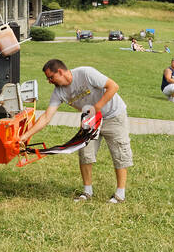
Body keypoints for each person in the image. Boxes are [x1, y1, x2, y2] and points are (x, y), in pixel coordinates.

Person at [24, 59, 132, 203]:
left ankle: (120, 194)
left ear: (60, 72)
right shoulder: (59, 92)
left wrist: (96, 108)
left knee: (119, 152)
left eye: (51, 77)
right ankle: (87, 192)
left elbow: (113, 86)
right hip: (91, 120)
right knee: (85, 153)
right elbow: (46, 117)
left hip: (113, 115)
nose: (49, 81)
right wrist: (25, 136)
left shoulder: (86, 73)